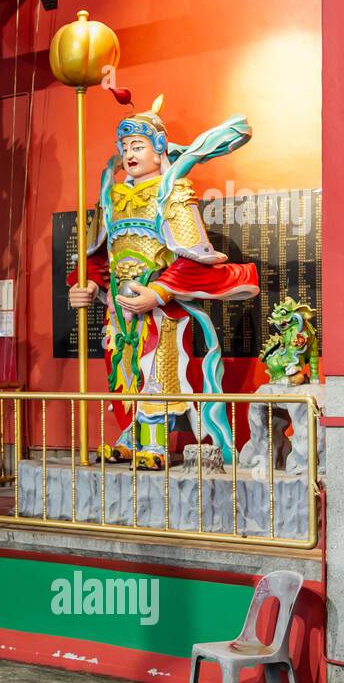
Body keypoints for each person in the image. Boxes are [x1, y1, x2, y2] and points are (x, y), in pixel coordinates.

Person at [68, 96, 258, 468]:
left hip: (160, 308)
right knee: (122, 369)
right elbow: (93, 258)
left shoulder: (172, 193)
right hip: (118, 307)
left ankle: (154, 443)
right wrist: (86, 286)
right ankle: (129, 433)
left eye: (137, 146)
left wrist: (157, 292)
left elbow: (194, 257)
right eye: (124, 147)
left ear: (158, 152)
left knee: (159, 368)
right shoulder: (111, 198)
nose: (129, 153)